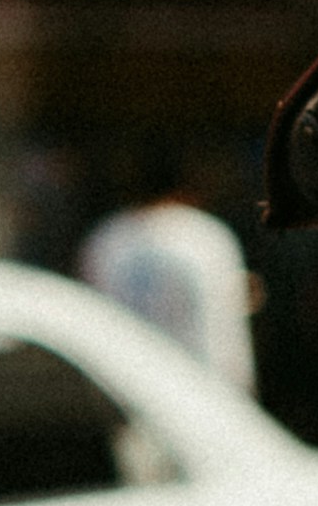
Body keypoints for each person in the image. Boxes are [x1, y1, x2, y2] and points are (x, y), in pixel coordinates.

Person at [82, 142, 258, 392]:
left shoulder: (107, 237)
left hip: (129, 392)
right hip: (200, 394)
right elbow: (227, 335)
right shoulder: (205, 235)